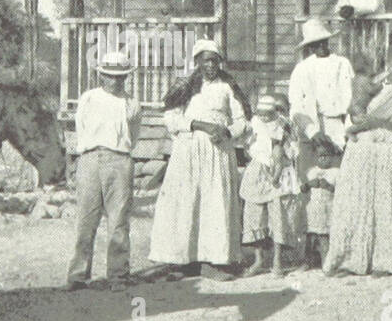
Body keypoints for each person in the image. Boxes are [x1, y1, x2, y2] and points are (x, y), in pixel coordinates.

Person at [149, 38, 250, 279]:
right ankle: (183, 261)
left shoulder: (228, 87)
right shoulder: (184, 86)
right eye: (206, 61)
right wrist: (198, 124)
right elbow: (171, 119)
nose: (211, 66)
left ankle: (213, 262)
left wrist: (227, 131)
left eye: (215, 61)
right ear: (196, 62)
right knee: (187, 203)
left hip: (218, 152)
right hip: (189, 150)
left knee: (215, 204)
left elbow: (242, 120)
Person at [324, 48, 392, 275]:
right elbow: (355, 114)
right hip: (361, 150)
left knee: (387, 207)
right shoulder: (370, 85)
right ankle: (350, 260)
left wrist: (376, 121)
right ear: (387, 65)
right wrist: (363, 121)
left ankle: (386, 261)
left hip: (388, 150)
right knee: (355, 204)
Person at [68, 50, 141, 291]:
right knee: (85, 219)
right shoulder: (89, 98)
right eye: (110, 76)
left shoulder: (132, 103)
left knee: (118, 221)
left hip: (119, 160)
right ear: (101, 76)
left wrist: (118, 153)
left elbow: (134, 136)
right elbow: (82, 128)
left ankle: (118, 275)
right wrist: (87, 153)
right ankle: (78, 275)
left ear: (126, 78)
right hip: (90, 159)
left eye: (120, 77)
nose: (114, 81)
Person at [240, 93, 303, 277]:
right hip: (258, 170)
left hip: (281, 172)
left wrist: (282, 149)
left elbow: (294, 150)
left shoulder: (287, 126)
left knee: (278, 216)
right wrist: (254, 150)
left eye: (280, 109)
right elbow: (248, 143)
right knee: (255, 214)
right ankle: (259, 259)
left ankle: (277, 261)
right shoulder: (255, 123)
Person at [289, 17, 356, 188]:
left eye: (323, 41)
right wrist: (313, 132)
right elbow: (296, 106)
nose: (321, 46)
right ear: (309, 47)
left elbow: (352, 98)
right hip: (312, 126)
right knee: (312, 181)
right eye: (316, 43)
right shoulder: (302, 69)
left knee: (338, 180)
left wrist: (348, 129)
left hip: (338, 126)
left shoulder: (342, 64)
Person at [302, 143, 341, 270]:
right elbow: (302, 189)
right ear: (315, 157)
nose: (323, 158)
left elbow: (340, 191)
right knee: (310, 237)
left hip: (327, 208)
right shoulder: (311, 171)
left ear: (332, 157)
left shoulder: (336, 172)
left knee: (324, 237)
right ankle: (308, 261)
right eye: (320, 156)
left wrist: (329, 186)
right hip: (313, 209)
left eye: (326, 156)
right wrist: (308, 185)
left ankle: (326, 261)